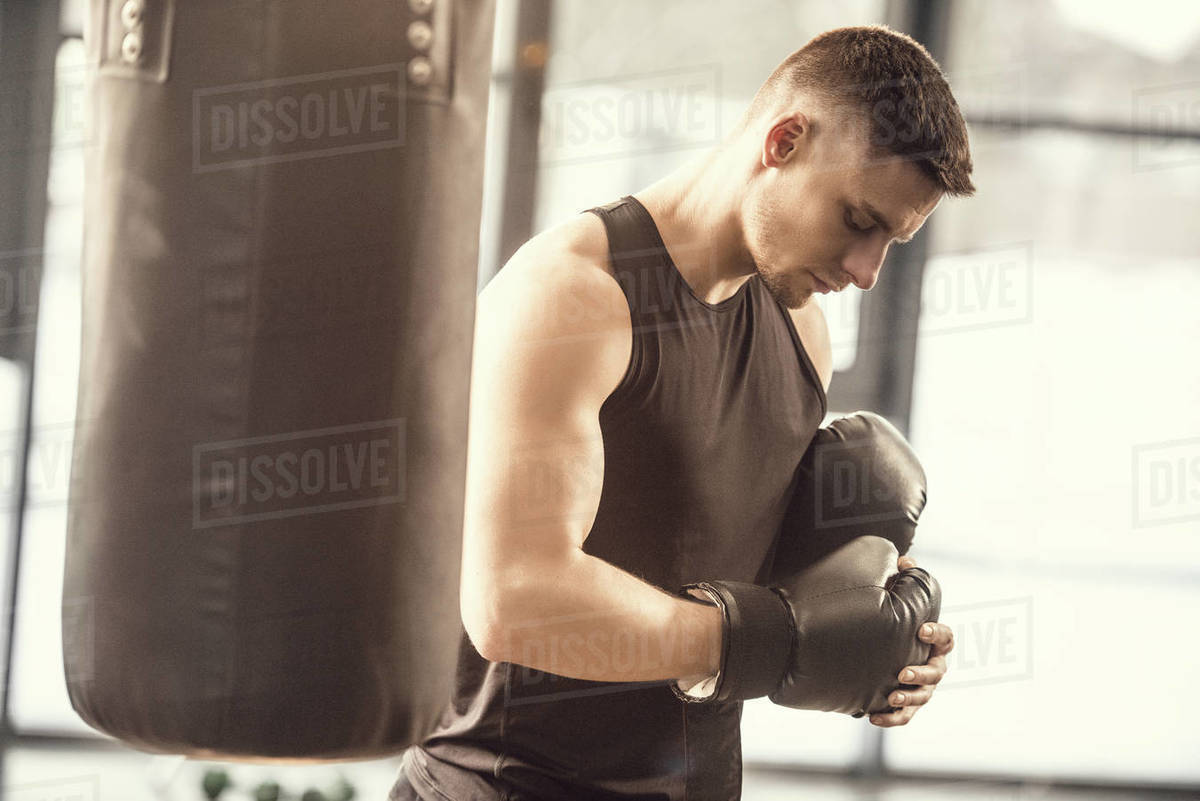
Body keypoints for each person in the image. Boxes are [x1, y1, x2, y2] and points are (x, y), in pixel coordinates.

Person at [391, 23, 973, 801]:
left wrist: (878, 640)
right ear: (785, 140)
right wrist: (767, 642)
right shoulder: (575, 296)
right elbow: (513, 599)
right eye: (859, 221)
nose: (867, 270)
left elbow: (726, 571)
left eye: (891, 241)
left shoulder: (802, 325)